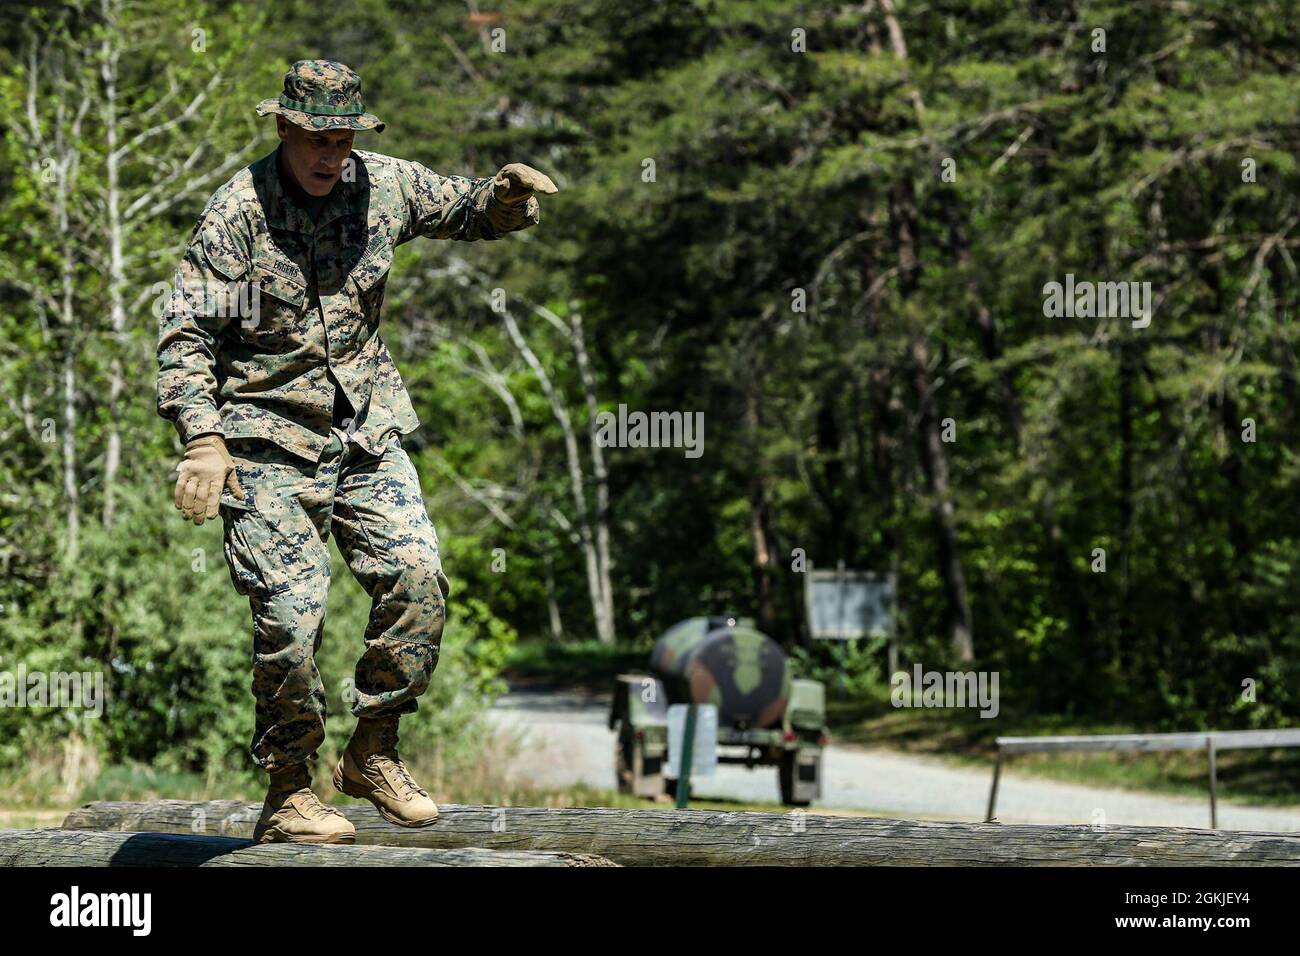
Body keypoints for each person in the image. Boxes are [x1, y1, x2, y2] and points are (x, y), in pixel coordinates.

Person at [156, 59, 557, 844]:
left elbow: (466, 209)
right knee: (290, 620)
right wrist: (202, 439)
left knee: (419, 579)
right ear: (283, 128)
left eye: (343, 139)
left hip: (366, 429)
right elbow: (186, 332)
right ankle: (288, 789)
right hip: (266, 439)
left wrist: (506, 197)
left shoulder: (383, 185)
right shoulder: (239, 212)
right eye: (315, 139)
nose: (330, 155)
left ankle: (373, 749)